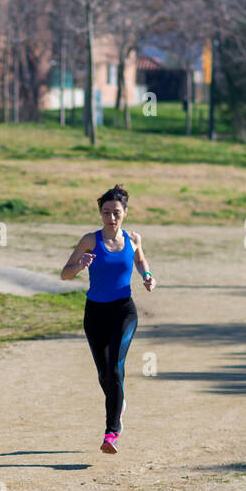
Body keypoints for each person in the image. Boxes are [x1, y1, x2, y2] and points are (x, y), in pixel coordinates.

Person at [59, 184, 156, 454]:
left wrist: (147, 276)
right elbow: (64, 274)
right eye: (106, 212)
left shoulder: (133, 239)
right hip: (95, 314)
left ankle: (111, 432)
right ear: (100, 214)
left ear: (125, 212)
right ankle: (119, 401)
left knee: (114, 367)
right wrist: (79, 266)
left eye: (116, 212)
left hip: (124, 311)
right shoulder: (90, 240)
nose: (111, 217)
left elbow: (140, 260)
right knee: (105, 374)